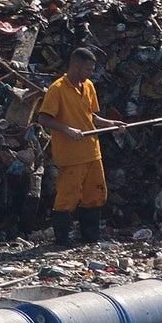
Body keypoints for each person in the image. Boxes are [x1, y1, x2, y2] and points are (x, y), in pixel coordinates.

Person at [36, 47, 125, 245]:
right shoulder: (57, 89)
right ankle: (62, 239)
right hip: (71, 154)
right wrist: (67, 129)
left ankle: (89, 236)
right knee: (68, 196)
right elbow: (44, 118)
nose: (90, 73)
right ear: (75, 66)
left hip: (92, 150)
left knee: (96, 193)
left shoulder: (89, 86)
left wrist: (110, 124)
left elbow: (90, 116)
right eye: (87, 69)